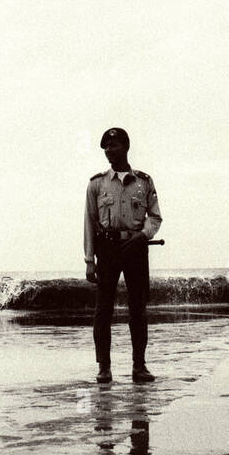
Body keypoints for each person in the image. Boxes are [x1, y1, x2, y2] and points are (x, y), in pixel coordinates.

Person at [83, 127, 162, 383]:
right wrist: (89, 260)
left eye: (113, 146)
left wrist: (143, 235)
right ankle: (104, 368)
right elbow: (89, 222)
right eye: (105, 147)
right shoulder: (97, 184)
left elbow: (155, 216)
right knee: (103, 309)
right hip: (107, 247)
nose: (109, 151)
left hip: (136, 247)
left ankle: (139, 366)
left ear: (126, 147)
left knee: (138, 309)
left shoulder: (144, 181)